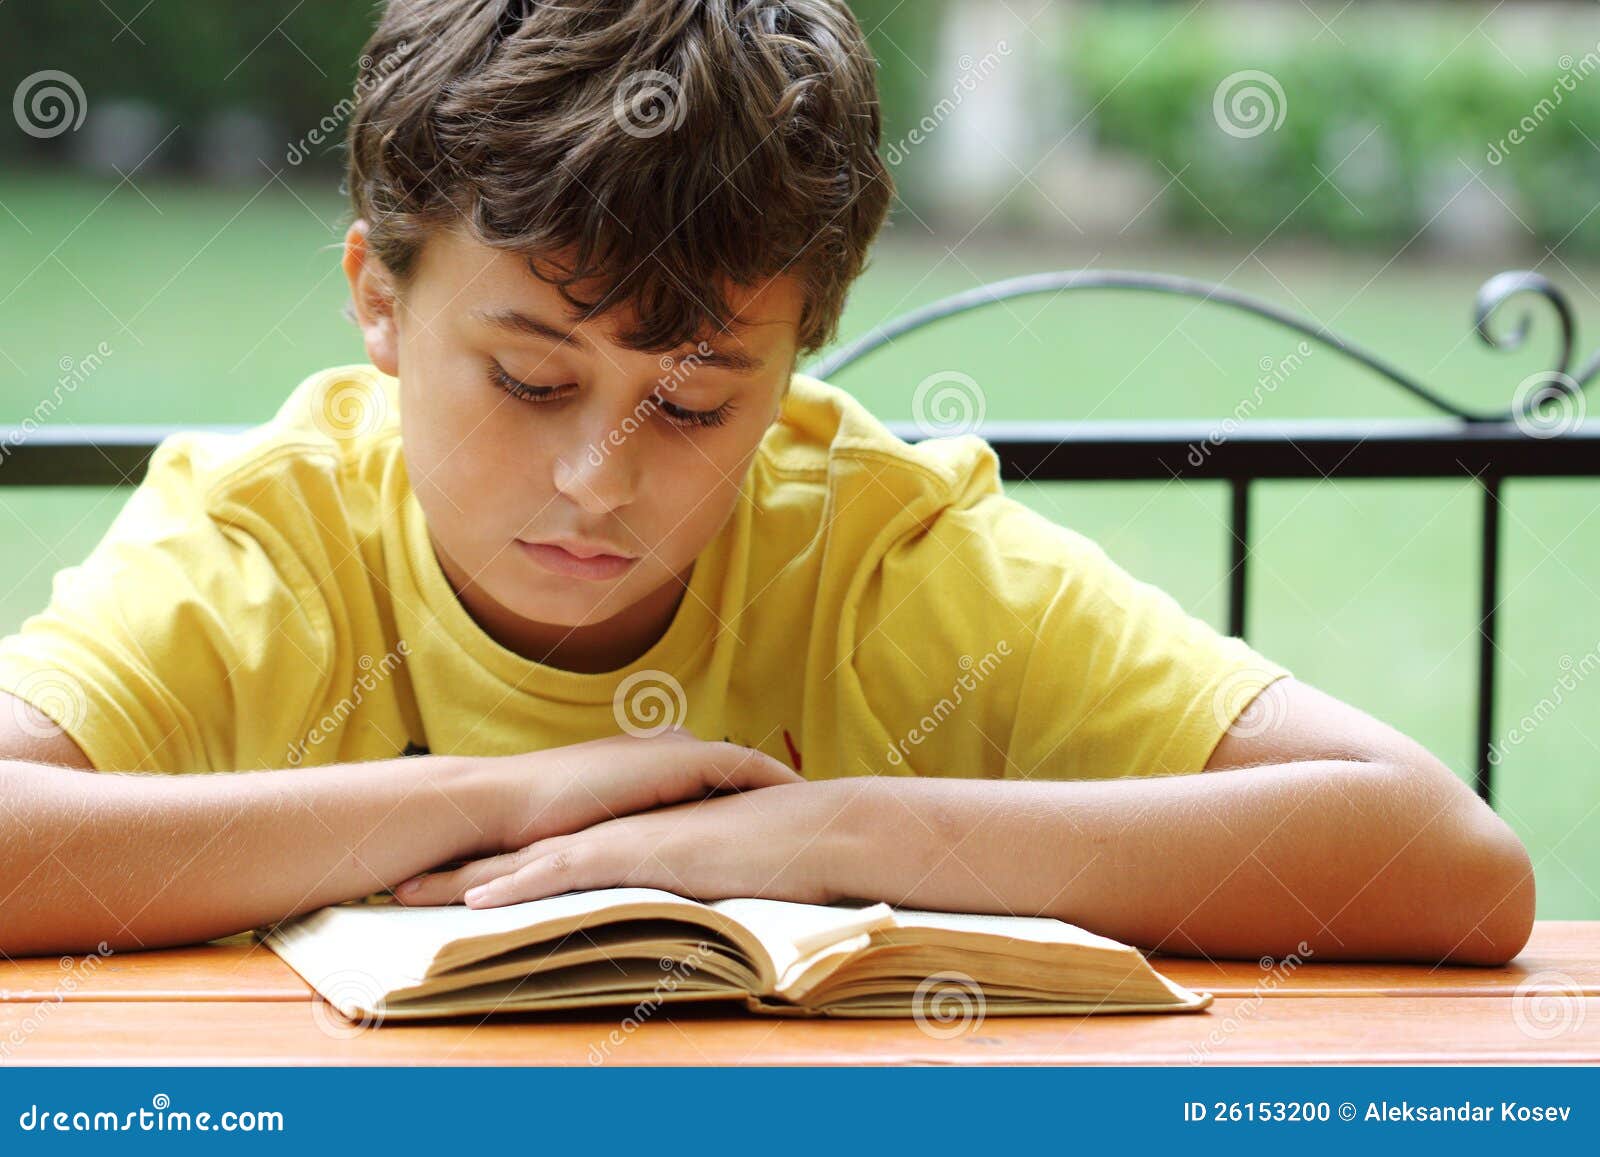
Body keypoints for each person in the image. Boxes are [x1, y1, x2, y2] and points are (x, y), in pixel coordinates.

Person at [0, 0, 1532, 964]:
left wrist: (835, 833)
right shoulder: (270, 538)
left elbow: (1452, 865)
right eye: (530, 380)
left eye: (695, 399)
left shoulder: (881, 553)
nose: (597, 479)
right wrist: (495, 798)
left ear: (798, 359)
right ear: (380, 301)